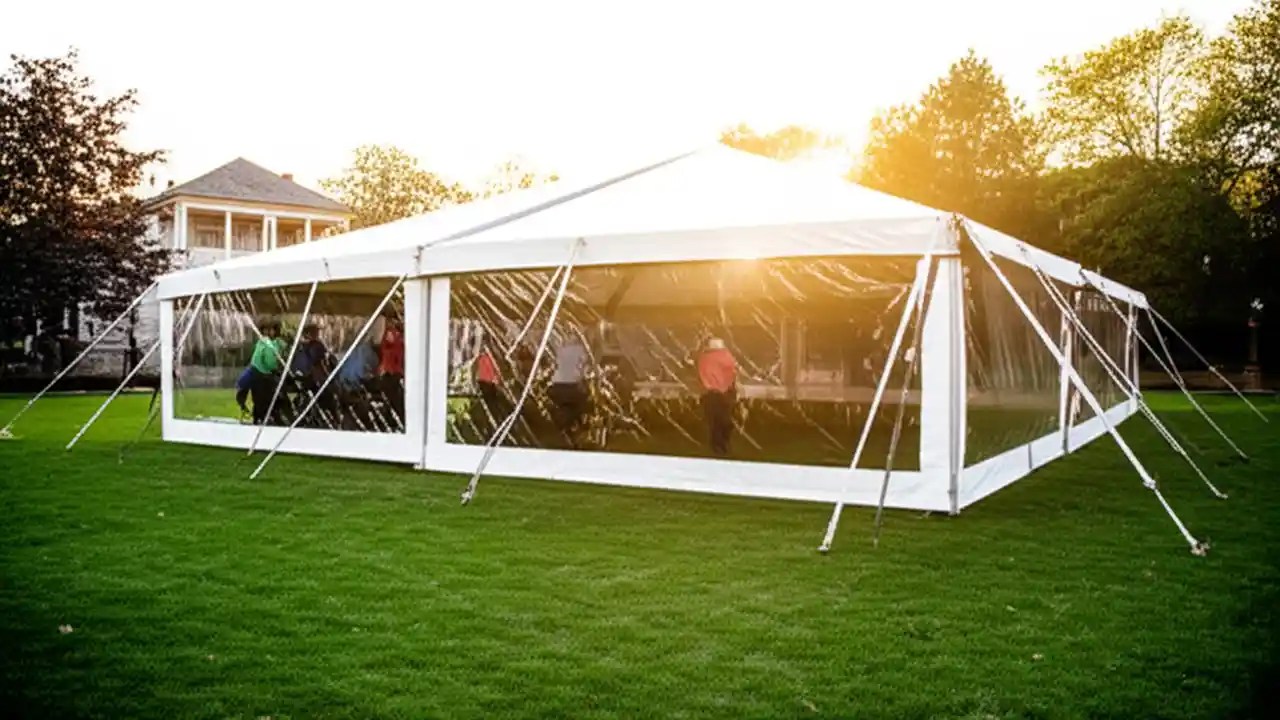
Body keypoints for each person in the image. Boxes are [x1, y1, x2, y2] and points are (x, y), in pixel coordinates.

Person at [697, 337, 737, 455]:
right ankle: (723, 444)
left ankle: (718, 446)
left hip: (711, 393)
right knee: (725, 420)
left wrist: (709, 386)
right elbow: (732, 373)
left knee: (715, 422)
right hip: (725, 393)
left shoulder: (704, 358)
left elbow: (703, 375)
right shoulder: (727, 356)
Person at [549, 334, 590, 448]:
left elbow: (556, 364)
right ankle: (578, 430)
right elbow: (584, 367)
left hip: (557, 385)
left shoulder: (561, 349)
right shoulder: (581, 349)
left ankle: (564, 432)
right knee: (582, 407)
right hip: (573, 386)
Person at [248, 320, 287, 425]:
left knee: (258, 398)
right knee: (269, 396)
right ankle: (271, 417)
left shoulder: (261, 342)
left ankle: (258, 418)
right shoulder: (268, 344)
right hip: (263, 374)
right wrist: (276, 369)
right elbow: (270, 362)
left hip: (255, 372)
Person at [377, 319, 406, 421]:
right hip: (387, 376)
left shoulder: (399, 347)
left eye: (391, 334)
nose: (388, 336)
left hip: (395, 376)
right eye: (387, 334)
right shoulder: (385, 346)